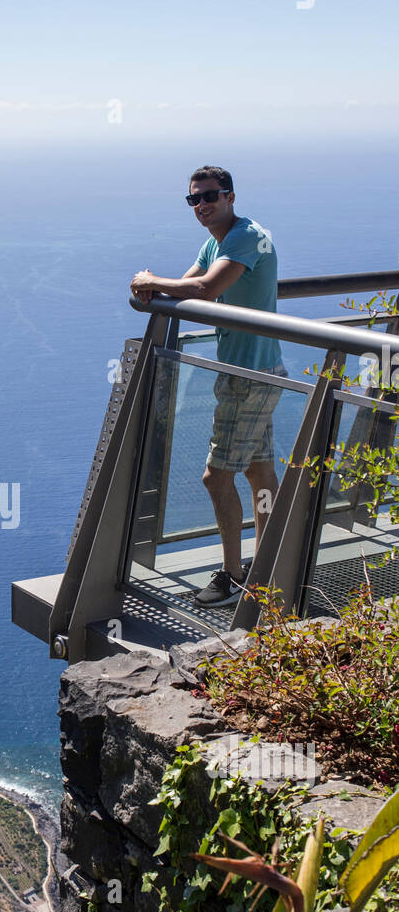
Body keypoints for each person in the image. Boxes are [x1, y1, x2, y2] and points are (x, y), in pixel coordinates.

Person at [130, 166, 286, 606]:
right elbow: (188, 285)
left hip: (248, 377)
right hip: (251, 372)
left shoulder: (244, 236)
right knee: (258, 472)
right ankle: (272, 559)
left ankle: (233, 578)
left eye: (210, 197)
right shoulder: (218, 238)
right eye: (194, 199)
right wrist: (159, 287)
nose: (201, 205)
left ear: (231, 196)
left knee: (215, 479)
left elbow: (204, 287)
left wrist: (149, 280)